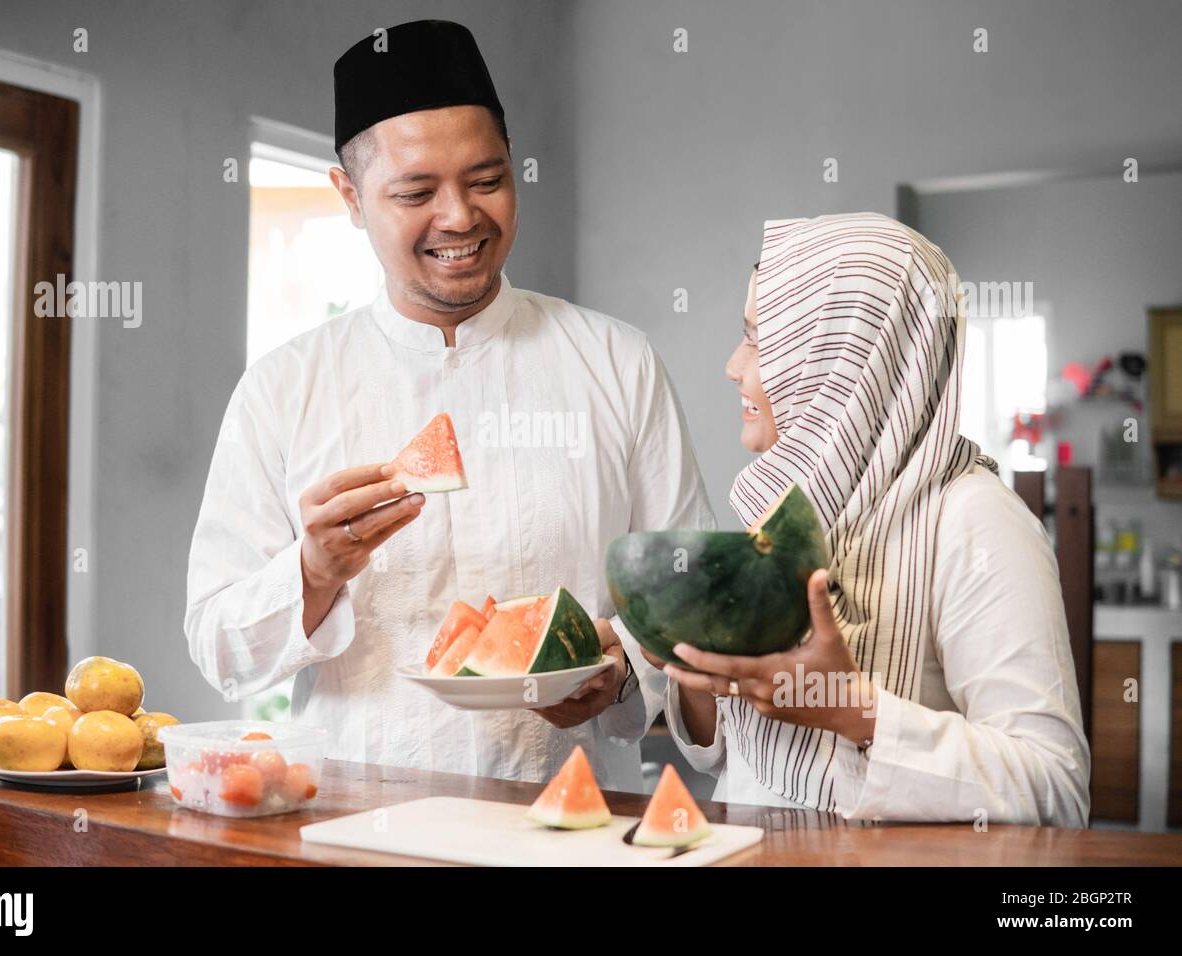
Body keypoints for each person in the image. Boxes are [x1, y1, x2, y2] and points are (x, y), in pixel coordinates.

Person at [184, 20, 714, 791]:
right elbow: (218, 646)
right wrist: (314, 569)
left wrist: (625, 668)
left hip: (574, 814)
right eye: (416, 192)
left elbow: (684, 592)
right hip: (356, 818)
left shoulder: (618, 361)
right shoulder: (282, 386)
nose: (461, 216)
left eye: (487, 179)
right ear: (351, 198)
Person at [655, 213, 1090, 826]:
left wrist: (850, 709)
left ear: (843, 362)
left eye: (759, 339)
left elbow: (1056, 790)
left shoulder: (979, 520)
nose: (733, 365)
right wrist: (698, 667)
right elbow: (736, 759)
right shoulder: (788, 511)